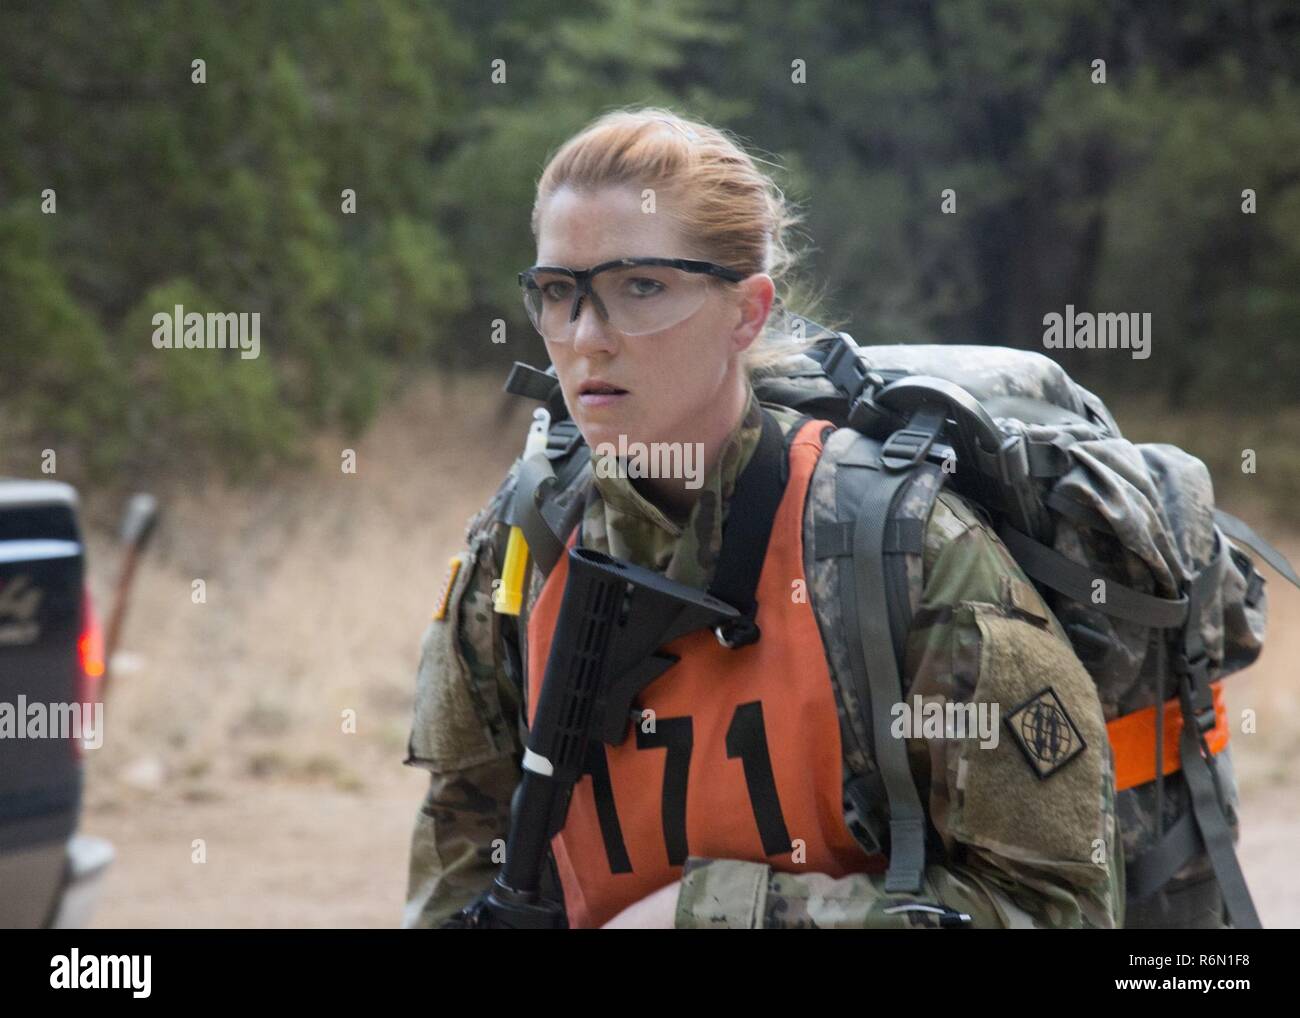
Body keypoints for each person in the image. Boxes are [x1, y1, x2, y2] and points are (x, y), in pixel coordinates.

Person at [402, 107, 1123, 929]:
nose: (586, 337)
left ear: (746, 312)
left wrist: (713, 916)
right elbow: (462, 857)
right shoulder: (525, 543)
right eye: (559, 292)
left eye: (640, 287)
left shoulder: (902, 552)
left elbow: (1057, 907)